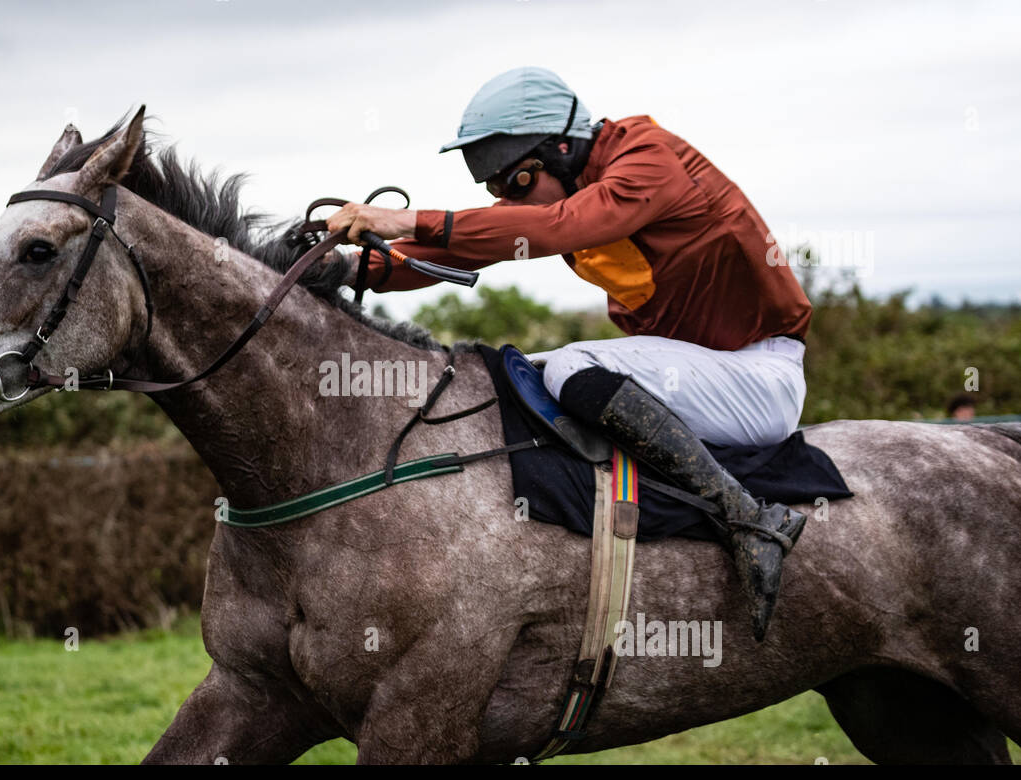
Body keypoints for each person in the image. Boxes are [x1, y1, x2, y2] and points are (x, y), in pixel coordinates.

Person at [325, 67, 813, 640]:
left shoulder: (648, 158)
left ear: (562, 148)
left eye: (520, 181)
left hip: (758, 376)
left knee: (571, 366)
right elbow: (473, 250)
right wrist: (351, 267)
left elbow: (555, 224)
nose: (509, 201)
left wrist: (406, 218)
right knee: (519, 373)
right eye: (497, 191)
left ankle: (749, 517)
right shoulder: (574, 180)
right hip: (693, 371)